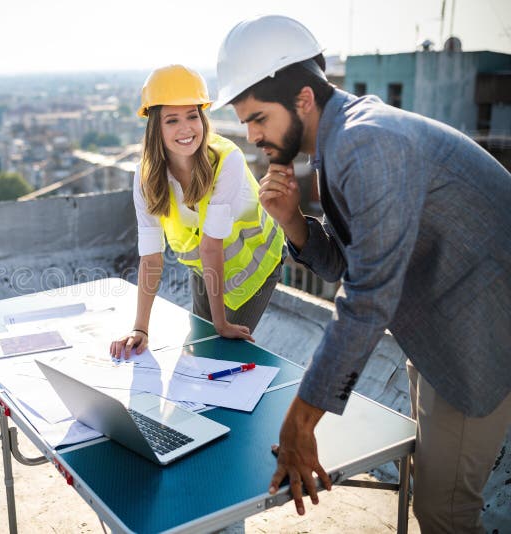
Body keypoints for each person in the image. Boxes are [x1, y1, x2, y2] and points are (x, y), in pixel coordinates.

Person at [212, 14, 511, 533]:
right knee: (435, 495)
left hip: (481, 335)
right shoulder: (340, 143)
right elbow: (350, 262)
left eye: (258, 118)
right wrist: (293, 223)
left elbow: (367, 298)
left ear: (303, 98)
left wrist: (301, 419)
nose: (252, 135)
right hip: (438, 329)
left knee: (444, 511)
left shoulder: (367, 143)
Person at [109, 64, 285, 359]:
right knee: (198, 352)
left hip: (256, 264)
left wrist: (221, 324)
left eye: (192, 116)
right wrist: (140, 329)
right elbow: (151, 258)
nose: (186, 128)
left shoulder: (226, 160)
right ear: (155, 128)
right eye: (172, 120)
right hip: (206, 269)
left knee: (222, 353)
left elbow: (211, 245)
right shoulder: (146, 177)